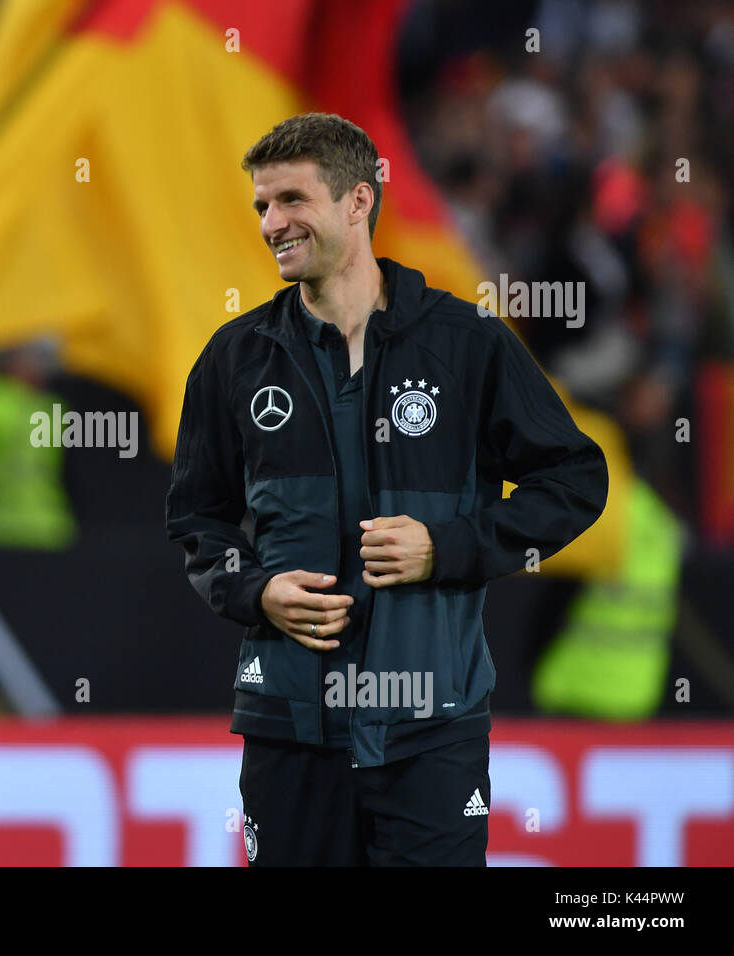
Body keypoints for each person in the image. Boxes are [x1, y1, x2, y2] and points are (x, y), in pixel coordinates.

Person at [165, 113, 608, 866]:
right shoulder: (234, 359)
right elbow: (197, 521)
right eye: (262, 206)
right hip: (289, 726)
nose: (272, 223)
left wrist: (448, 546)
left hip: (431, 729)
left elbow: (575, 478)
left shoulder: (467, 343)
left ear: (358, 201)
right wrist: (257, 591)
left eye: (291, 201)